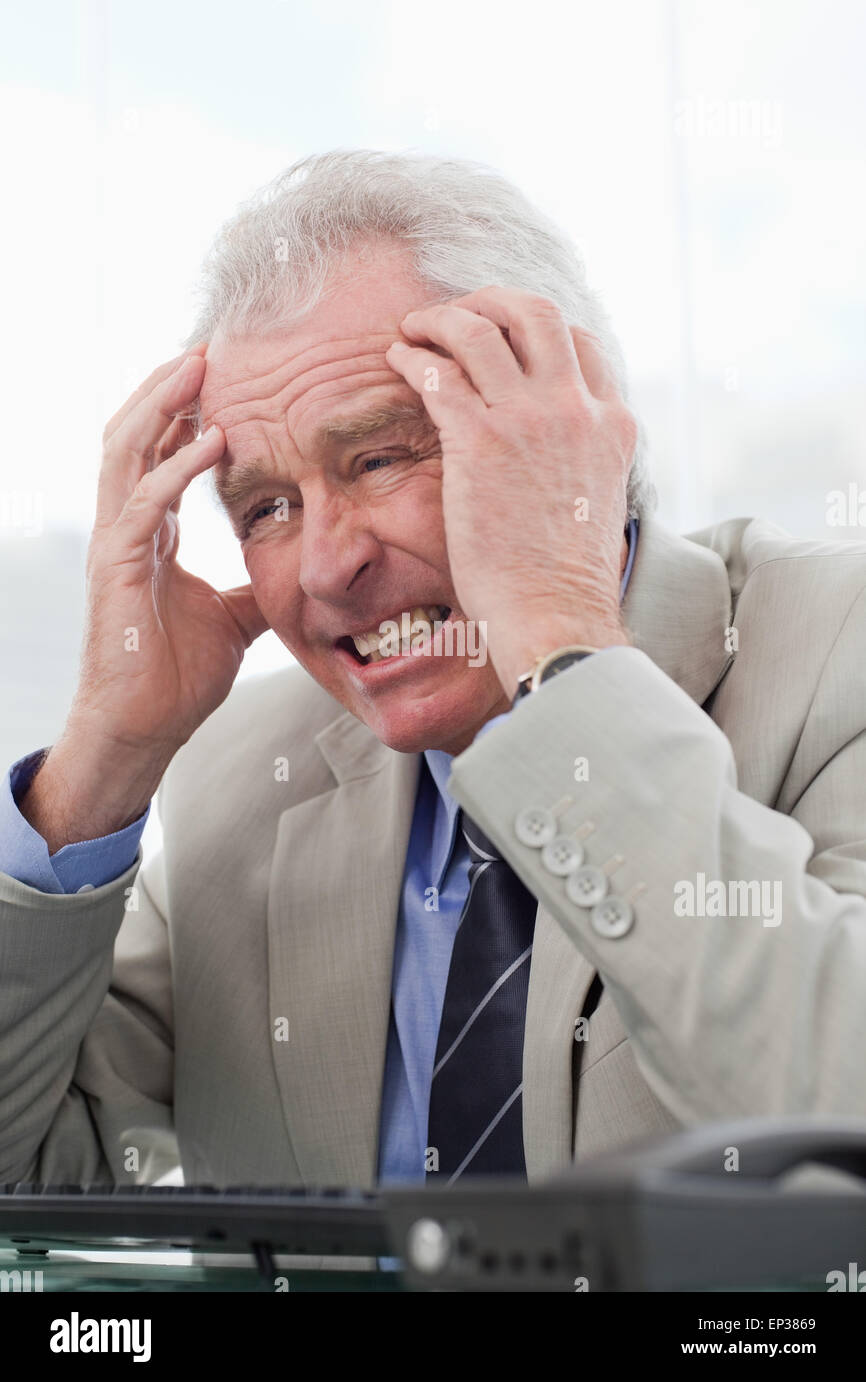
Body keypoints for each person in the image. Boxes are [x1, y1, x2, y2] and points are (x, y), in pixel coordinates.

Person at [1, 150, 864, 1191]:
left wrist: (556, 631)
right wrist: (104, 756)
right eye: (264, 508)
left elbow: (837, 1101)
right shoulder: (239, 778)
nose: (326, 565)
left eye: (377, 458)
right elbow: (36, 1168)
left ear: (564, 425)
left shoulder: (833, 651)